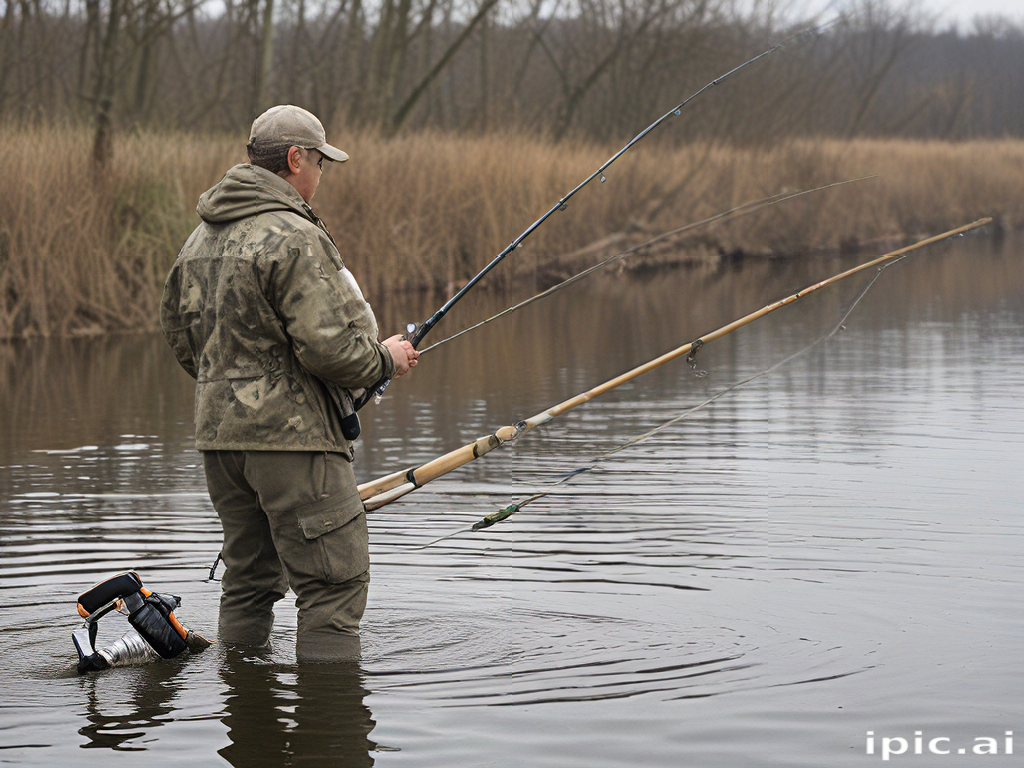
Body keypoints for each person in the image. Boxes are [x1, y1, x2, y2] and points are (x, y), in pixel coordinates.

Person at [160, 104, 418, 661]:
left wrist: (231, 391)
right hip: (295, 446)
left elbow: (184, 342)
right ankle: (330, 733)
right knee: (332, 588)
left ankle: (244, 709)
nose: (322, 174)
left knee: (248, 584)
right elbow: (332, 348)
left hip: (220, 443)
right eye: (320, 162)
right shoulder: (293, 235)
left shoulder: (198, 239)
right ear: (295, 159)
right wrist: (384, 359)